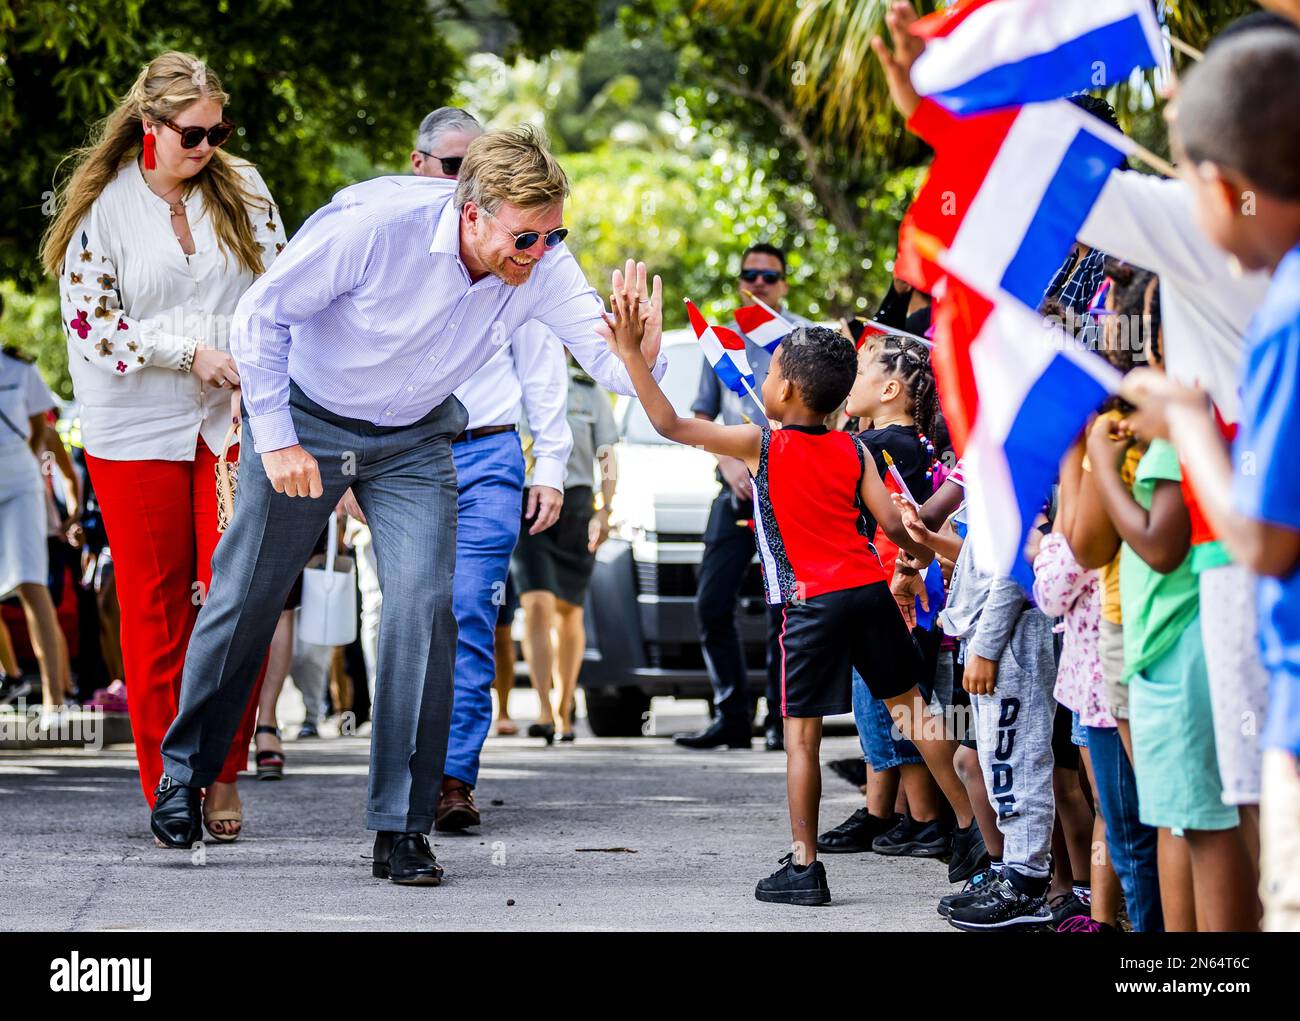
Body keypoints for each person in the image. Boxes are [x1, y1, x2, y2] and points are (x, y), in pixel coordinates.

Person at [151, 124, 667, 888]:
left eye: (555, 234)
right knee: (248, 600)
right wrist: (280, 439)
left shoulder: (543, 266)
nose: (543, 251)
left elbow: (610, 367)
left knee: (427, 609)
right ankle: (181, 771)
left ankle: (403, 825)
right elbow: (262, 315)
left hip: (416, 437)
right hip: (304, 415)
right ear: (472, 213)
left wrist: (637, 350)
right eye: (527, 237)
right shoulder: (374, 229)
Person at [606, 293, 945, 905]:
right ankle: (978, 837)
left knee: (802, 741)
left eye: (769, 371)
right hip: (868, 591)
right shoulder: (855, 449)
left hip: (810, 605)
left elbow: (670, 425)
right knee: (916, 713)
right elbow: (896, 530)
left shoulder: (763, 445)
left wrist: (630, 354)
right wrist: (918, 560)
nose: (763, 379)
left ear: (786, 389)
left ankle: (805, 866)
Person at [39, 52, 281, 840]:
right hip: (133, 423)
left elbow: (280, 291)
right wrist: (188, 353)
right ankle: (170, 782)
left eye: (219, 130)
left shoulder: (240, 189)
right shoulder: (102, 212)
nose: (209, 145)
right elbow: (92, 327)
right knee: (153, 608)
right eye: (194, 133)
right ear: (150, 127)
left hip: (230, 422)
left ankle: (221, 769)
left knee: (234, 597)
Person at [1129, 26, 1300, 931]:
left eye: (1184, 178)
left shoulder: (1286, 316)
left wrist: (1189, 423)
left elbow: (1265, 538)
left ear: (1227, 188)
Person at [408, 108, 574, 832]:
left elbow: (543, 360)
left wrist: (553, 463)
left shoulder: (520, 257)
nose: (466, 178)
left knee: (471, 610)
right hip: (406, 454)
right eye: (455, 167)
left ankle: (453, 777)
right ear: (423, 169)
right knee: (413, 616)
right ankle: (403, 773)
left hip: (491, 450)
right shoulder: (395, 244)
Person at [679, 242, 813, 752]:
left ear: (783, 283)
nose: (758, 283)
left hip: (790, 488)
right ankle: (732, 715)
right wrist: (730, 463)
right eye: (749, 275)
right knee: (712, 603)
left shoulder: (802, 338)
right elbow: (702, 417)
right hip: (735, 487)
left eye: (768, 276)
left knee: (785, 608)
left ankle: (783, 718)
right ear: (740, 281)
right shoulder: (723, 339)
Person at [513, 356, 618, 744]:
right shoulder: (514, 385)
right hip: (526, 501)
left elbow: (606, 454)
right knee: (537, 604)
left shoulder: (588, 392)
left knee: (569, 611)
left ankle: (564, 704)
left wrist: (605, 508)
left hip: (574, 503)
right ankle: (543, 707)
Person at [0, 337, 66, 713]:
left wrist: (22, 458)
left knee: (31, 584)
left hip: (19, 485)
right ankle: (11, 679)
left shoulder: (18, 369)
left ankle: (55, 701)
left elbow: (41, 426)